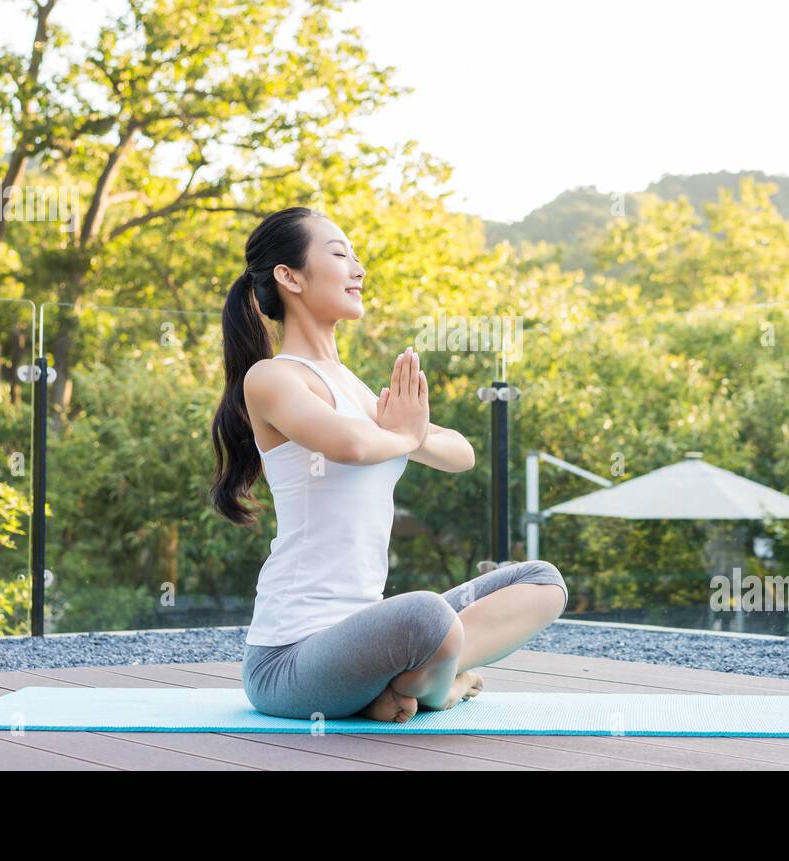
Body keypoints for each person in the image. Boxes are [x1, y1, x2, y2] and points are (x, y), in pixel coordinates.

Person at [210, 207, 568, 722]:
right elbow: (350, 446)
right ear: (289, 277)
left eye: (355, 257)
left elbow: (460, 453)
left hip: (369, 637)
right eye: (339, 254)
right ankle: (439, 683)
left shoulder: (355, 388)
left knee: (541, 580)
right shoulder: (272, 378)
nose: (358, 269)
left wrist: (406, 435)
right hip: (289, 661)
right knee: (426, 614)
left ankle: (419, 679)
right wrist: (401, 434)